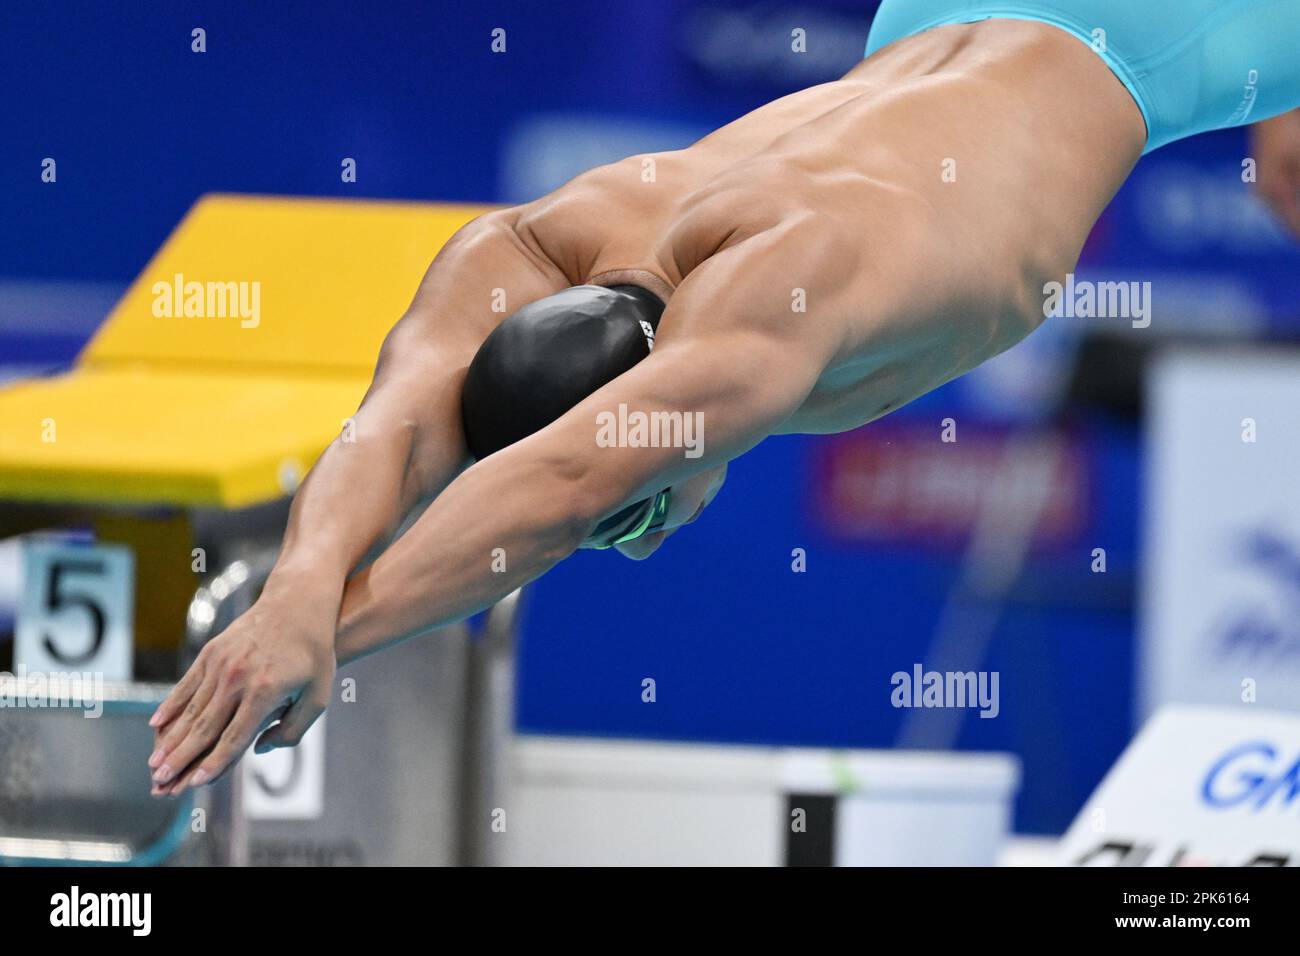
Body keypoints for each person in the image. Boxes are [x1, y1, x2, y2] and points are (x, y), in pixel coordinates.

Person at [148, 1, 1300, 796]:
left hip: (1150, 43)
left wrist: (326, 635)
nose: (644, 539)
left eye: (638, 512)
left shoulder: (779, 300)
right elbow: (395, 417)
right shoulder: (549, 232)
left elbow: (558, 485)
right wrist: (290, 594)